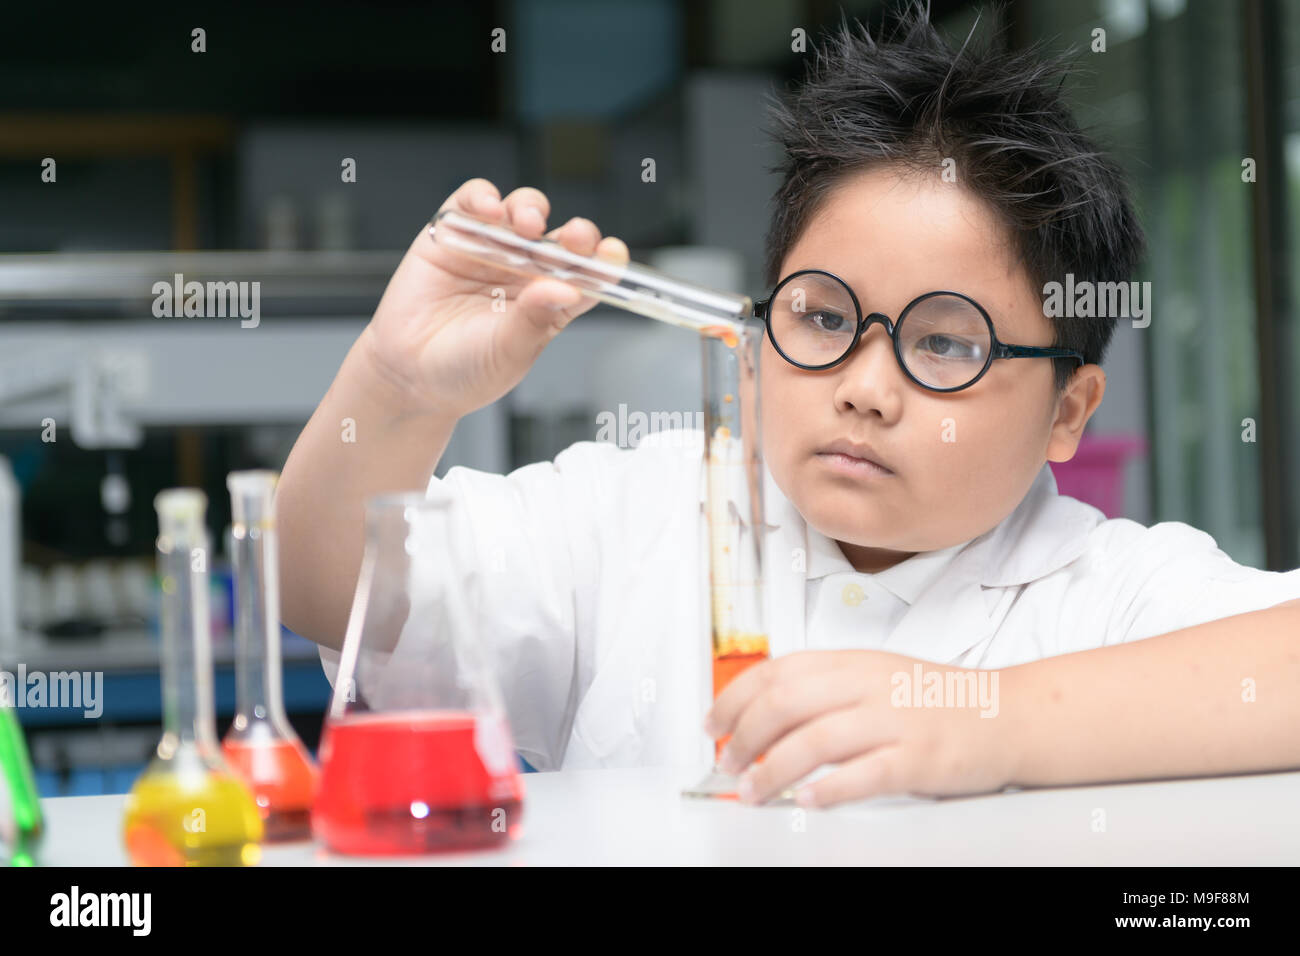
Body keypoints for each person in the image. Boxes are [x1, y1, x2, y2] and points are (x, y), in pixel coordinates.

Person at [277, 2, 1300, 808]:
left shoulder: (1099, 593)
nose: (862, 386)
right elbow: (325, 593)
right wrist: (396, 389)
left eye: (943, 342)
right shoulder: (633, 516)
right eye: (820, 318)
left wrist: (989, 721)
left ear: (1068, 411)